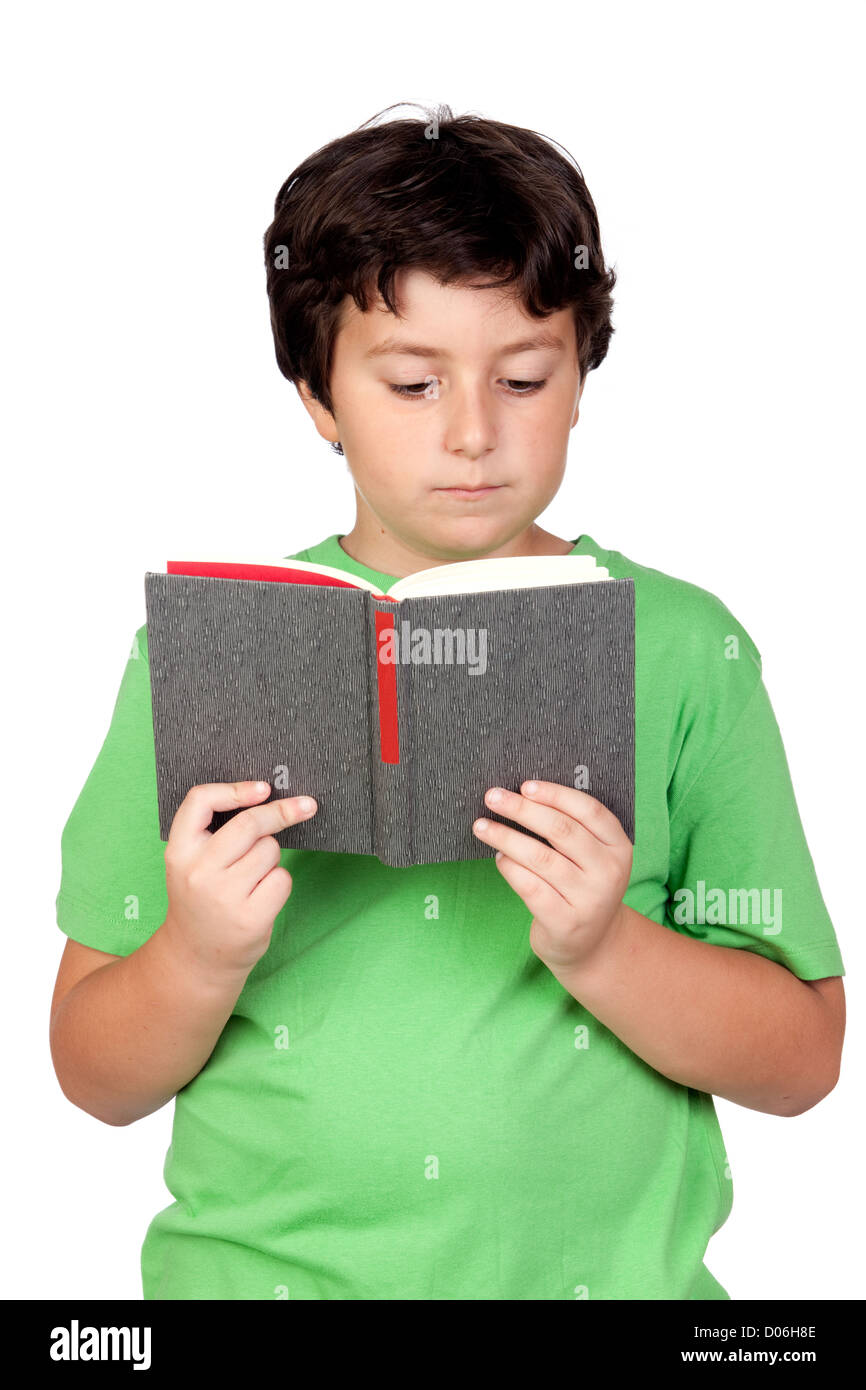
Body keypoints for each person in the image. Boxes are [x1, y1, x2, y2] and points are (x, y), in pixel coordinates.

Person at [50, 103, 846, 1300]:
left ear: (580, 376)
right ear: (318, 398)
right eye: (413, 384)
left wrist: (604, 944)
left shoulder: (687, 649)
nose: (474, 432)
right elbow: (93, 1072)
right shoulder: (206, 654)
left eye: (523, 376)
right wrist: (198, 955)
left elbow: (799, 1061)